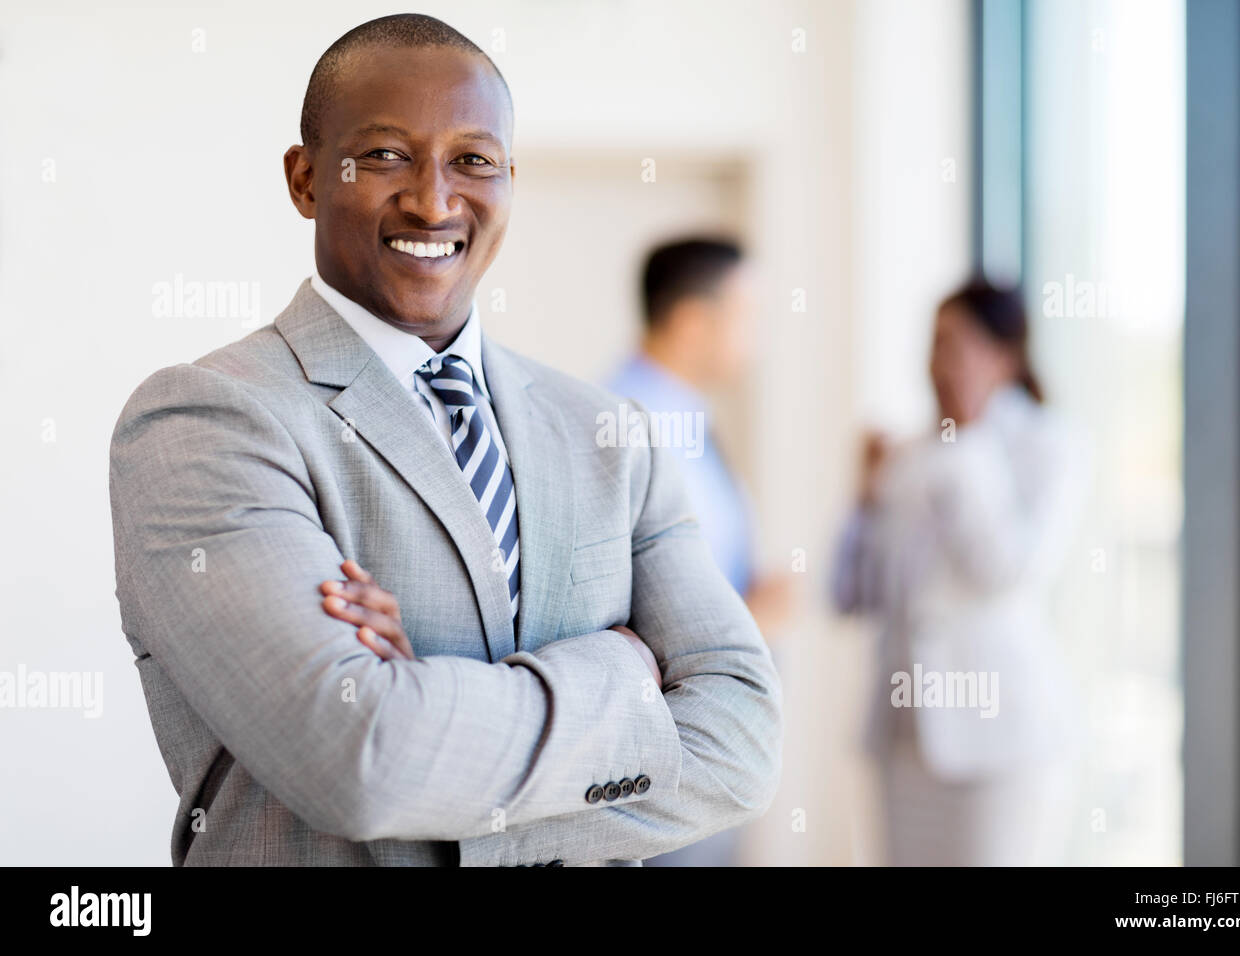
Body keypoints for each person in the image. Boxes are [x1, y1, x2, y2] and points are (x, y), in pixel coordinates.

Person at [108, 14, 782, 867]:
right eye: (386, 155)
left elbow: (745, 744)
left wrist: (424, 697)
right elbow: (360, 762)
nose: (433, 199)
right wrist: (625, 673)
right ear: (306, 178)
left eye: (473, 160)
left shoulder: (608, 433)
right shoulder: (207, 419)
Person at [831, 279, 1085, 866]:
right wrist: (864, 500)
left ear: (1005, 355)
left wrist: (968, 441)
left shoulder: (1050, 444)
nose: (939, 362)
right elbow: (850, 596)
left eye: (955, 343)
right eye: (933, 342)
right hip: (904, 736)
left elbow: (1007, 571)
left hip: (999, 739)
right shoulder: (908, 453)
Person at [606, 238, 793, 866]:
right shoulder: (627, 421)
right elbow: (619, 596)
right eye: (748, 317)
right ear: (692, 319)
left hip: (717, 732)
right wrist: (749, 621)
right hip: (673, 740)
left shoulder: (683, 414)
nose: (757, 339)